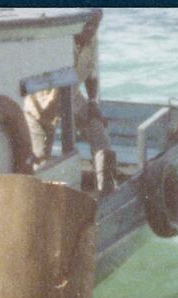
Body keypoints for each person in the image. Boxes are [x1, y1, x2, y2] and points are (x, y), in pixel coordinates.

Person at [23, 11, 115, 192]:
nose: (91, 29)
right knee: (41, 160)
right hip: (40, 103)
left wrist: (93, 102)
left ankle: (106, 189)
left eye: (95, 25)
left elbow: (92, 74)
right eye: (87, 24)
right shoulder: (59, 39)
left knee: (98, 130)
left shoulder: (92, 40)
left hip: (70, 94)